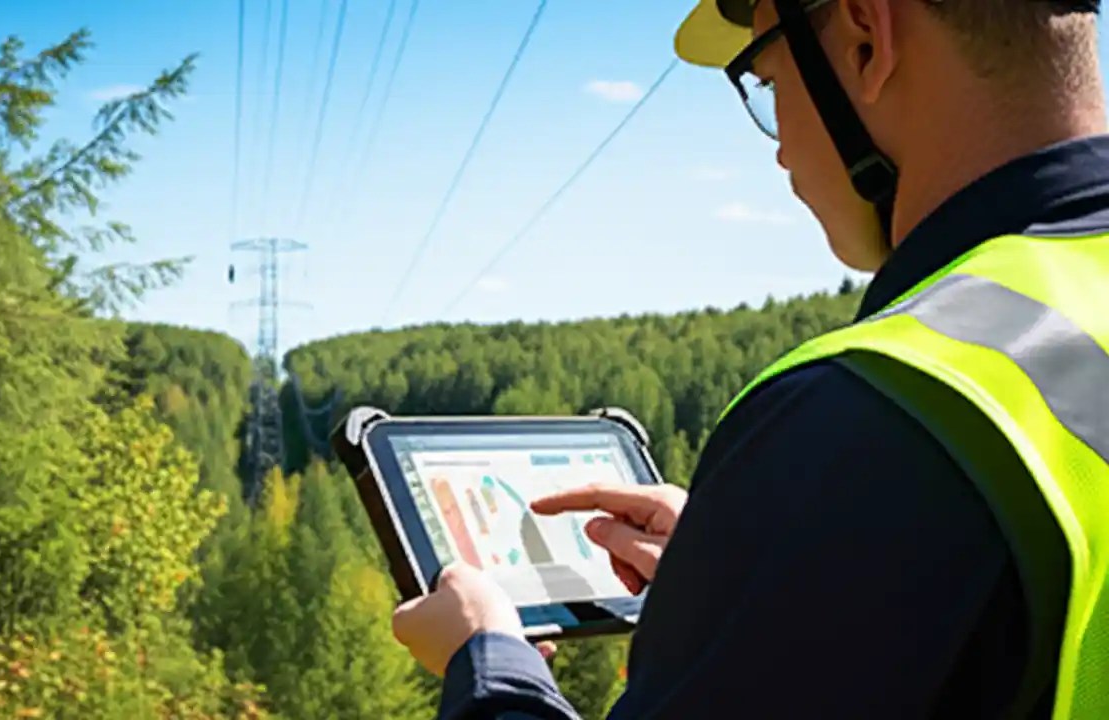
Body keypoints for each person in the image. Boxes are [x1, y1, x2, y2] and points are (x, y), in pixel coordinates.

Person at [391, 0, 1109, 717]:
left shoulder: (872, 414)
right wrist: (766, 577)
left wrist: (487, 659)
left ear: (866, 38)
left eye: (768, 81)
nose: (779, 148)